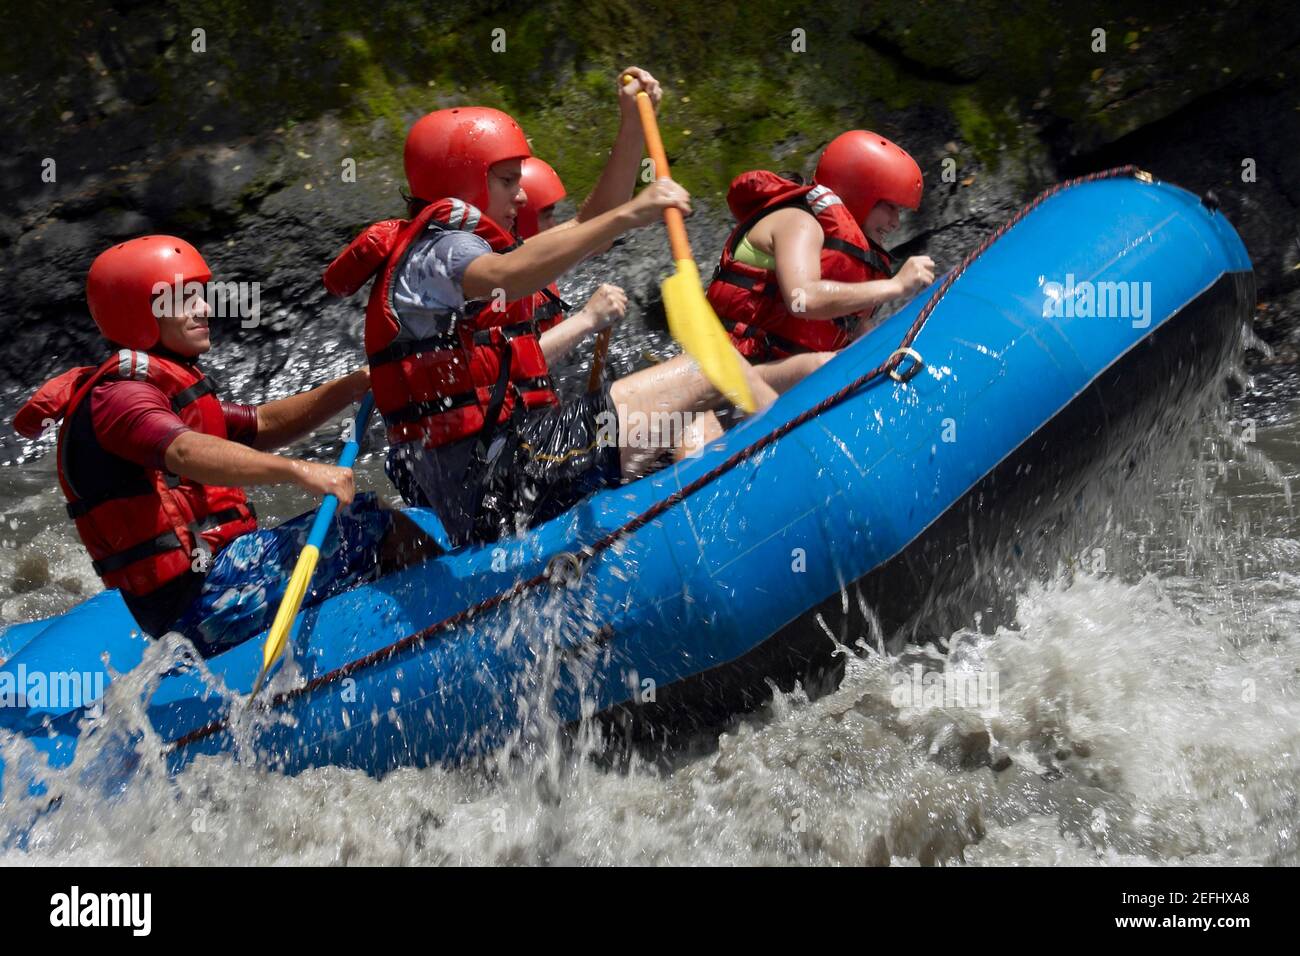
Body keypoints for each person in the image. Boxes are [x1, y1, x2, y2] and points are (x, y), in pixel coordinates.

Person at [323, 67, 782, 547]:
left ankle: (716, 542)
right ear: (463, 184)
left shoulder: (473, 248)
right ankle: (793, 471)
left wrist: (630, 126)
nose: (521, 196)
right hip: (501, 478)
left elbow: (591, 223)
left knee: (688, 415)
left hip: (514, 465)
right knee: (708, 370)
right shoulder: (438, 253)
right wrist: (634, 211)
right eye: (506, 181)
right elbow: (506, 277)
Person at [13, 236, 424, 656]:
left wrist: (354, 385)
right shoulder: (118, 398)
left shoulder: (154, 386)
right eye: (186, 299)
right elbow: (186, 452)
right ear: (139, 312)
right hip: (200, 601)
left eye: (201, 296)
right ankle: (442, 632)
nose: (206, 309)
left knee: (370, 519)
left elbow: (260, 424)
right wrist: (300, 470)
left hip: (215, 576)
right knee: (379, 526)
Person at [705, 130, 936, 393]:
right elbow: (803, 299)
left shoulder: (843, 253)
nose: (895, 222)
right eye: (890, 207)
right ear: (859, 190)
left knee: (852, 367)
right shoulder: (798, 222)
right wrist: (897, 286)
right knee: (822, 368)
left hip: (769, 376)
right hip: (726, 371)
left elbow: (856, 330)